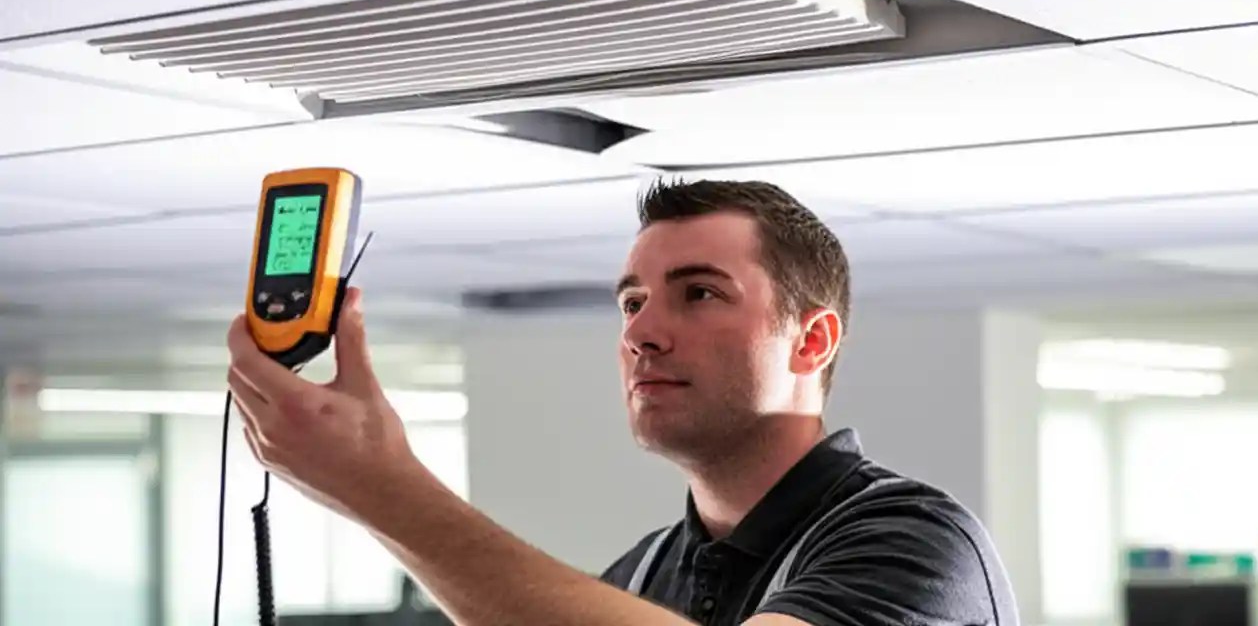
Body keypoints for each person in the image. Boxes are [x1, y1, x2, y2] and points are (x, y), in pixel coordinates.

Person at [226, 178, 1019, 626]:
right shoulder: (641, 573)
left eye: (699, 293)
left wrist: (380, 487)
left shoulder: (914, 544)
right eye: (631, 301)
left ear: (811, 342)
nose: (643, 332)